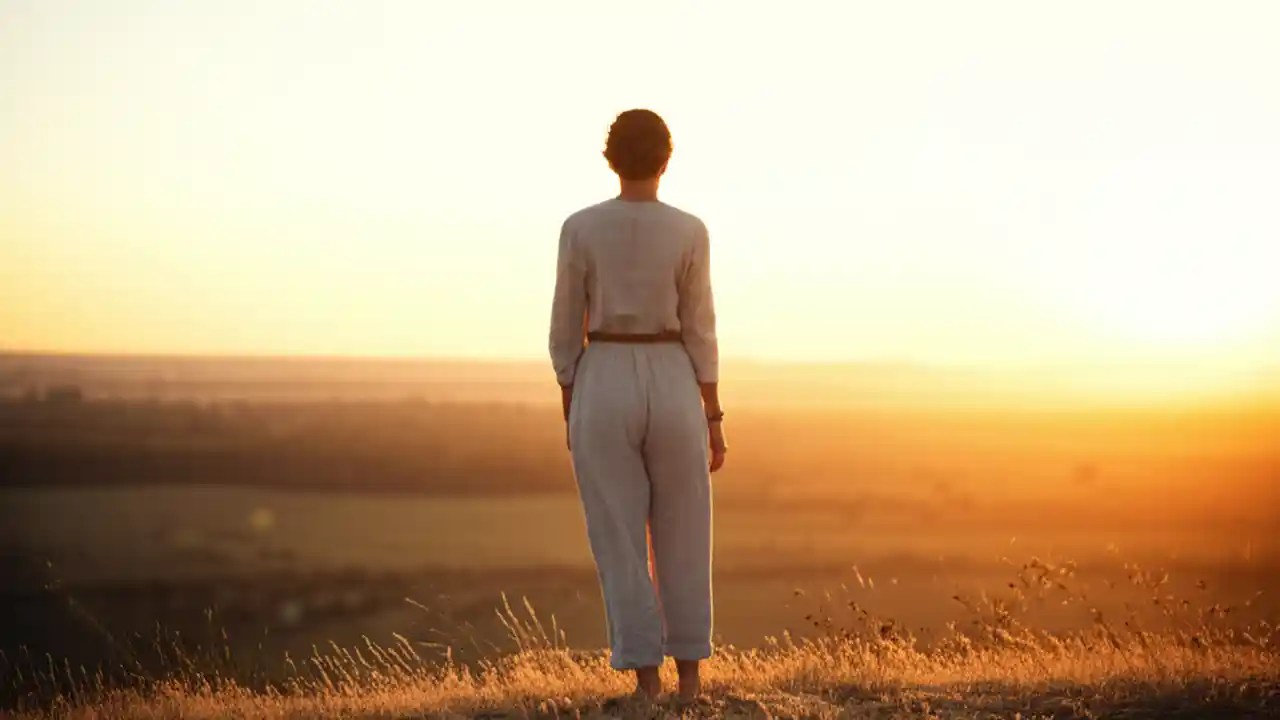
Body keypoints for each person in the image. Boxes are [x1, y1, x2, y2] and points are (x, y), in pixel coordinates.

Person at [548, 109, 727, 703]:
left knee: (618, 533)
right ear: (666, 158)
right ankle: (692, 678)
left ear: (610, 157)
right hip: (674, 373)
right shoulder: (690, 230)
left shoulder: (580, 227)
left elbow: (564, 323)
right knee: (686, 527)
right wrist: (714, 415)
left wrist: (571, 395)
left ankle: (646, 678)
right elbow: (701, 327)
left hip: (603, 374)